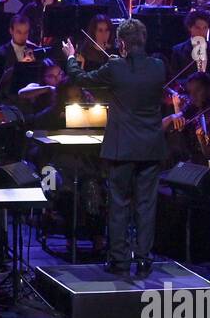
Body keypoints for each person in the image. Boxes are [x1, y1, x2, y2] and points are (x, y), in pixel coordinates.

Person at [62, 19, 167, 272]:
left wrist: (71, 57)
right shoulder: (158, 66)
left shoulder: (116, 67)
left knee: (119, 203)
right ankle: (143, 258)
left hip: (123, 147)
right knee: (146, 205)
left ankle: (119, 259)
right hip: (151, 147)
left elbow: (81, 79)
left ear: (121, 43)